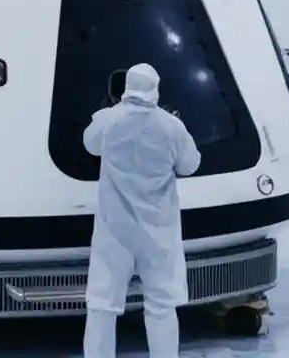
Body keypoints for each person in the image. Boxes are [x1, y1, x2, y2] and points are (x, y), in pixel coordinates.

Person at [83, 63, 202, 358]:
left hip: (115, 229)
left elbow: (90, 145)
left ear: (127, 86)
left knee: (102, 304)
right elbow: (191, 165)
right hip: (158, 230)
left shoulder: (107, 120)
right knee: (162, 305)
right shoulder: (171, 126)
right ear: (156, 88)